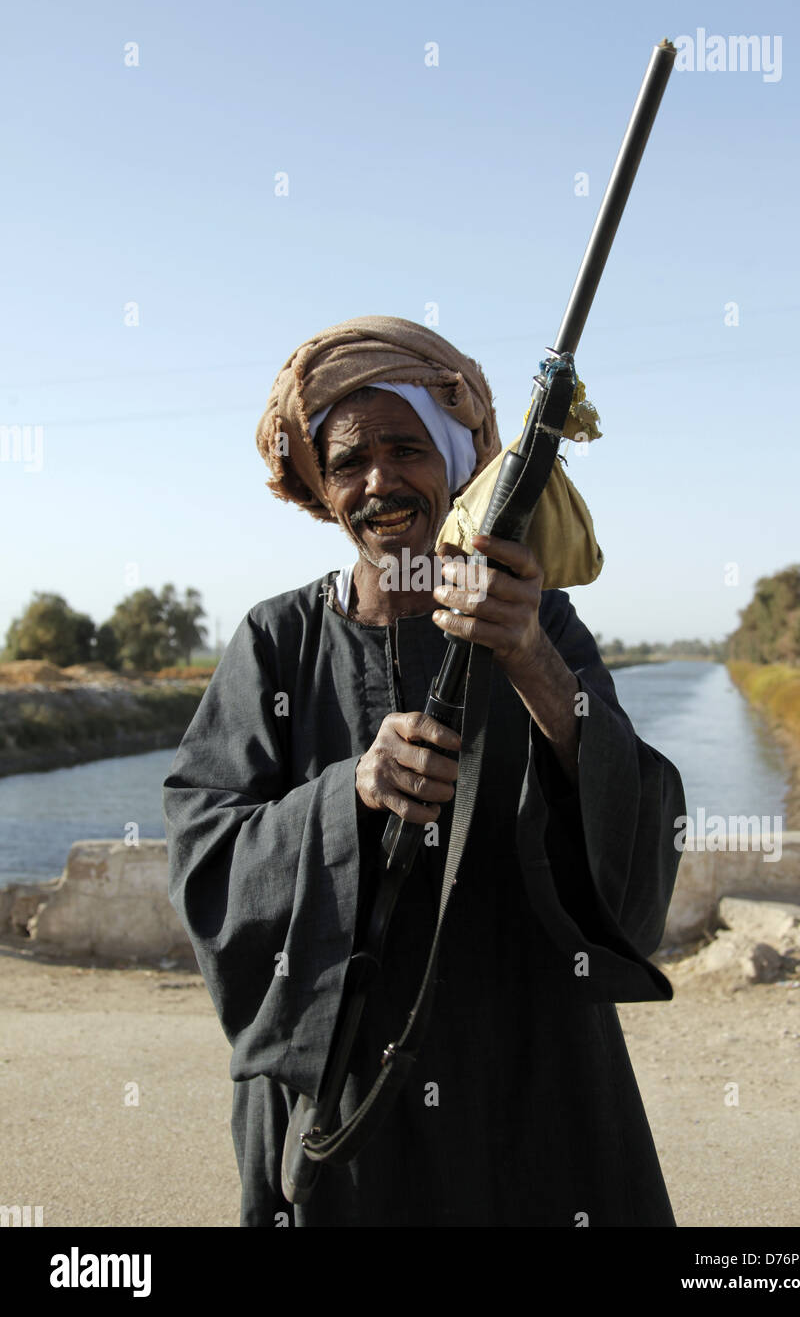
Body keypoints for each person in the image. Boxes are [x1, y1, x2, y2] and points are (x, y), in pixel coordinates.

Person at [163, 314, 686, 1228]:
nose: (379, 483)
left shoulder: (539, 623)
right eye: (348, 463)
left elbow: (637, 827)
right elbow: (206, 856)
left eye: (406, 449)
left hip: (527, 1091)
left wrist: (529, 660)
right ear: (323, 490)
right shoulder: (276, 643)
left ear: (455, 460)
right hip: (342, 1100)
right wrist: (348, 796)